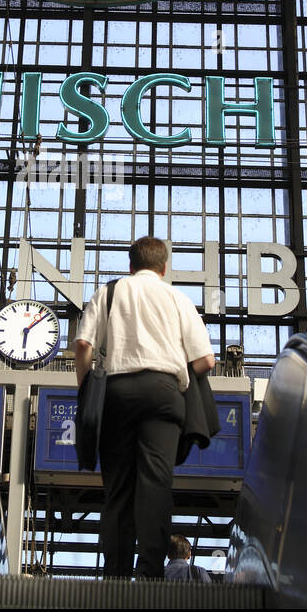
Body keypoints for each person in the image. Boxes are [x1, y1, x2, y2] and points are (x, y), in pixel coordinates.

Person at [75, 237, 215, 579]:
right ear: (164, 268)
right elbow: (207, 361)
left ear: (130, 266)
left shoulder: (107, 292)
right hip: (164, 395)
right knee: (155, 487)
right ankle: (150, 574)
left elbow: (83, 345)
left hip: (117, 394)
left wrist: (85, 389)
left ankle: (116, 575)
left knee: (118, 490)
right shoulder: (178, 298)